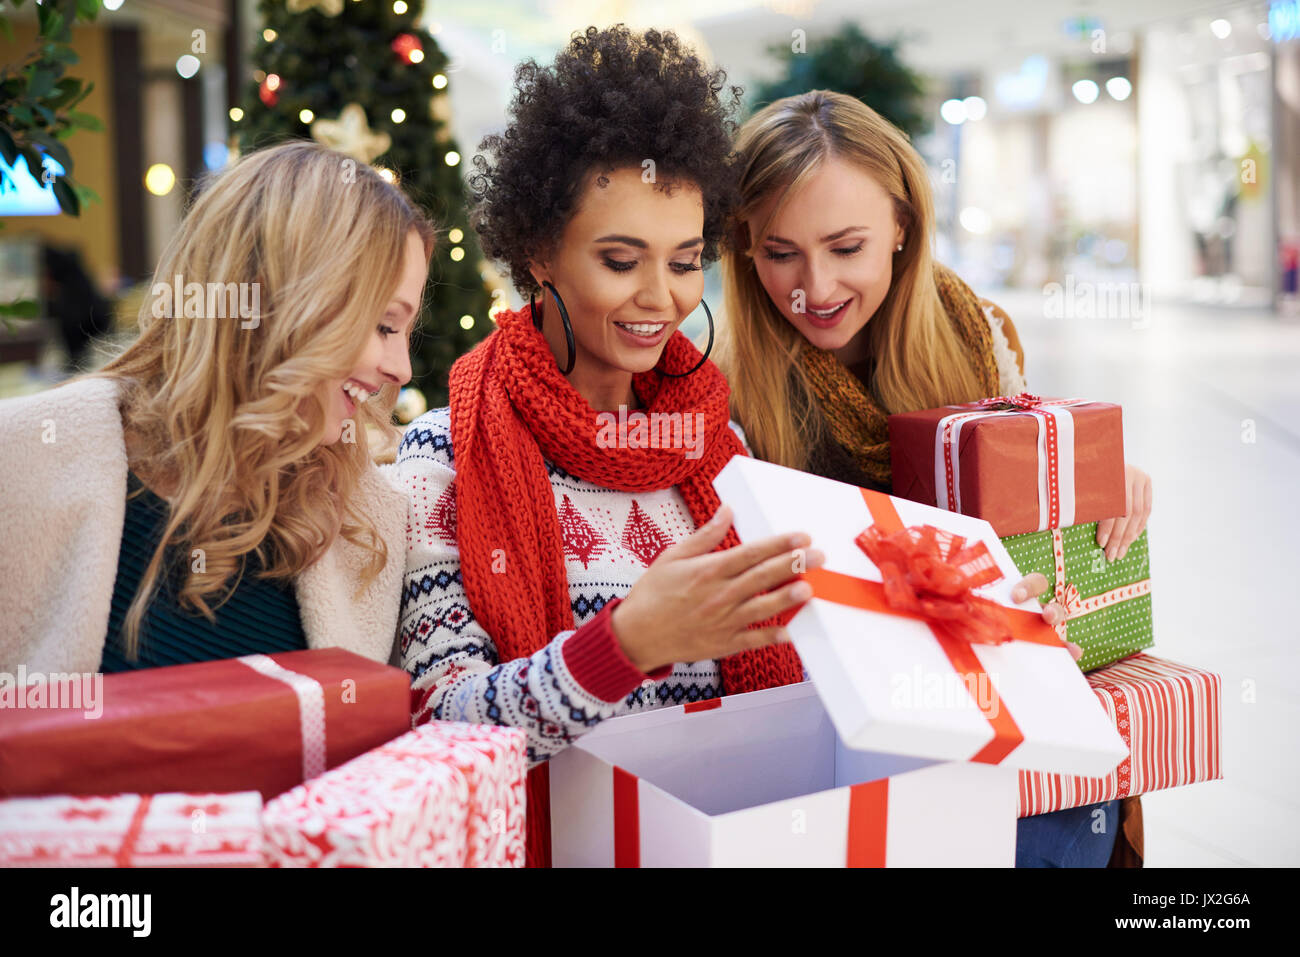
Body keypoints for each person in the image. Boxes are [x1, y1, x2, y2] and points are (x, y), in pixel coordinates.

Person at [398, 27, 1065, 868]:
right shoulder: (443, 455)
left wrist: (988, 627)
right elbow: (439, 726)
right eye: (618, 259)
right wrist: (628, 642)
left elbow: (819, 687)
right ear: (539, 251)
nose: (660, 298)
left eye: (683, 262)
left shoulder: (723, 447)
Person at [716, 89, 1150, 866]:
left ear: (902, 227)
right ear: (745, 246)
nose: (813, 287)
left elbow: (1027, 514)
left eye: (846, 247)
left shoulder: (978, 337)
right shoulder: (725, 387)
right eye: (780, 252)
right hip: (843, 735)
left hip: (1002, 714)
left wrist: (1091, 490)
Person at [0, 140, 431, 675]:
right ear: (280, 298)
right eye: (385, 325)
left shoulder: (369, 520)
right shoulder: (21, 462)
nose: (402, 370)